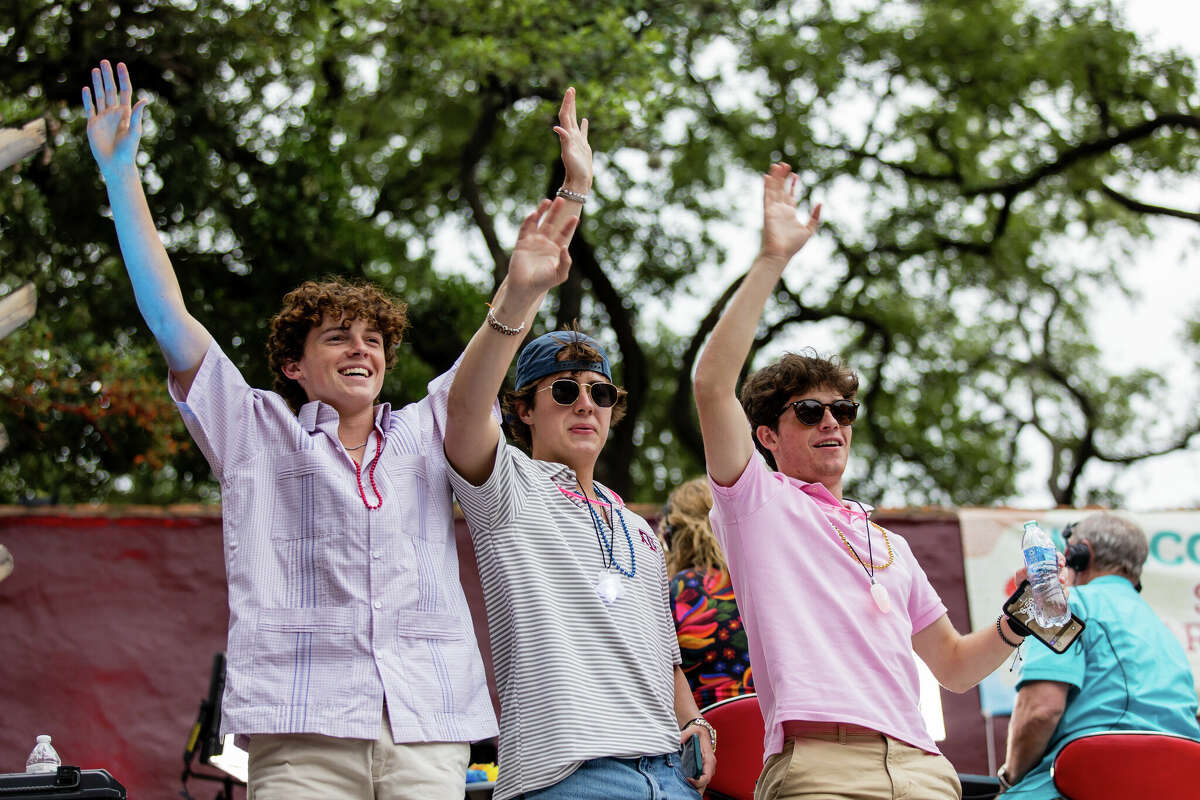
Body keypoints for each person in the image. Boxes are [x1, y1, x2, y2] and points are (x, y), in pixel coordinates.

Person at [81, 60, 587, 799]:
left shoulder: (424, 432)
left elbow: (493, 349)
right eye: (337, 338)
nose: (361, 349)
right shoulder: (254, 432)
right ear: (293, 364)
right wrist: (121, 177)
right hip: (299, 734)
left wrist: (555, 226)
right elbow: (169, 318)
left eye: (374, 340)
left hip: (428, 731)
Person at [692, 163, 1037, 800]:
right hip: (822, 765)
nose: (832, 423)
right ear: (766, 435)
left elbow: (957, 668)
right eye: (809, 411)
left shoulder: (889, 544)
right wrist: (772, 258)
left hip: (924, 768)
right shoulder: (756, 503)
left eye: (843, 411)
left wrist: (1020, 620)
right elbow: (712, 383)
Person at [441, 109, 715, 798]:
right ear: (523, 408)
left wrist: (696, 721)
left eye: (601, 392)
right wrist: (523, 289)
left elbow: (662, 651)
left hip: (668, 777)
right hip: (572, 778)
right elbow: (465, 406)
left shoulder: (638, 529)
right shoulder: (508, 488)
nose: (586, 403)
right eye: (563, 390)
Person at [998, 513, 1200, 798]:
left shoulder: (1063, 605)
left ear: (1082, 554)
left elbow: (1040, 711)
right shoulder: (1165, 633)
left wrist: (1010, 779)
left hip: (1086, 780)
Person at [658, 478, 754, 707]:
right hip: (772, 732)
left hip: (702, 734)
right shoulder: (761, 584)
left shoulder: (676, 591)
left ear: (672, 538)